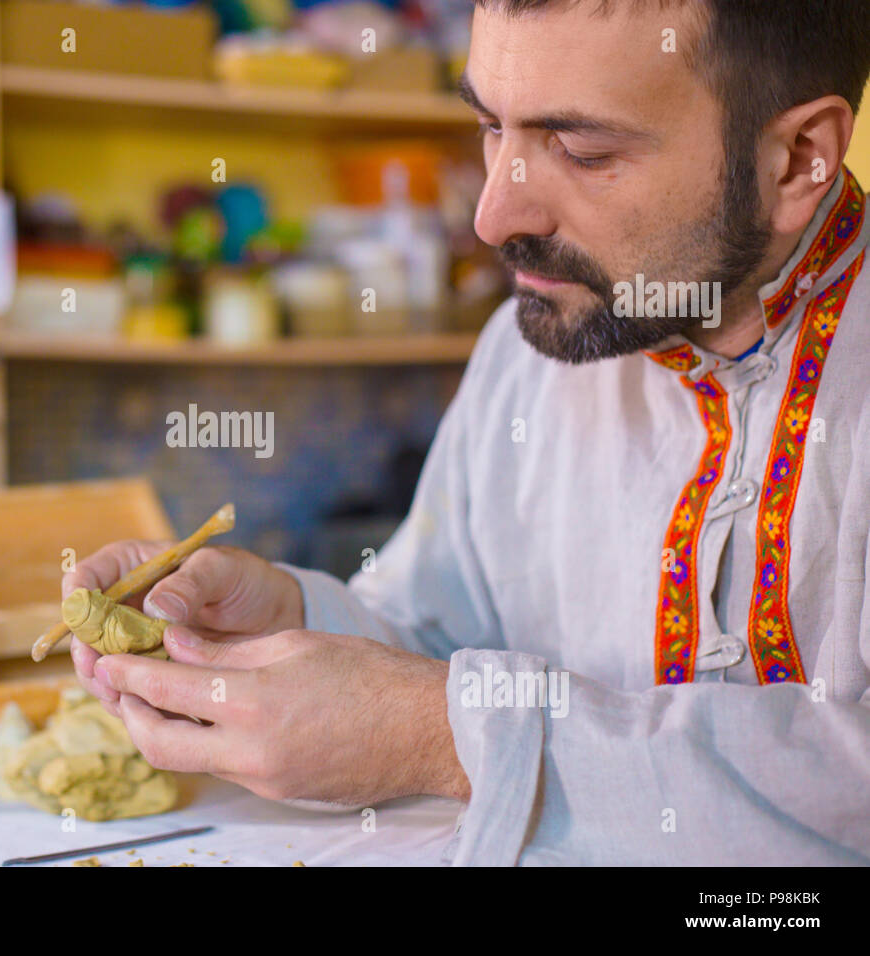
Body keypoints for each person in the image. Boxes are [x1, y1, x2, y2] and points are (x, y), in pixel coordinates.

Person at [68, 0, 870, 864]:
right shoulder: (528, 355)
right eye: (492, 127)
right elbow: (445, 637)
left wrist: (440, 735)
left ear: (797, 160)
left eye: (583, 150)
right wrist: (282, 623)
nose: (494, 216)